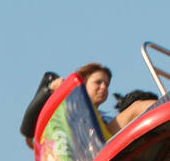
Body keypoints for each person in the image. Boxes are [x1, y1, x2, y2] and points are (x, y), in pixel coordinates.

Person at [20, 62, 156, 147]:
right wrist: (51, 89)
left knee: (137, 109)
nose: (104, 87)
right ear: (83, 84)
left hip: (103, 142)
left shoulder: (105, 119)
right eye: (98, 82)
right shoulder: (70, 106)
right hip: (92, 148)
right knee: (136, 107)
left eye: (106, 84)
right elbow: (28, 134)